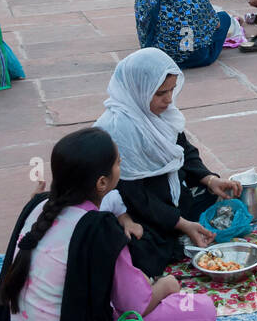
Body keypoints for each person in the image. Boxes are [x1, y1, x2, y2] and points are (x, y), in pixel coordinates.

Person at [0, 127, 216, 321]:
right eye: (118, 163)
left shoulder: (39, 206)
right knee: (202, 309)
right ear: (101, 183)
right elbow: (135, 308)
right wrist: (166, 287)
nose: (122, 167)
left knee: (139, 281)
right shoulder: (97, 228)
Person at [93, 49, 242, 276]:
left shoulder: (160, 112)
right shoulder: (119, 128)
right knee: (140, 249)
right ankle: (179, 233)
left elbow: (184, 152)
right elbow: (134, 195)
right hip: (137, 208)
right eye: (160, 93)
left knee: (216, 197)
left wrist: (210, 179)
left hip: (169, 197)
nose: (169, 99)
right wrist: (180, 223)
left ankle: (181, 229)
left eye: (172, 90)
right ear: (139, 90)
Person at [135, 0, 231, 68]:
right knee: (224, 17)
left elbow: (143, 29)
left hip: (158, 58)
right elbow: (216, 24)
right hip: (196, 58)